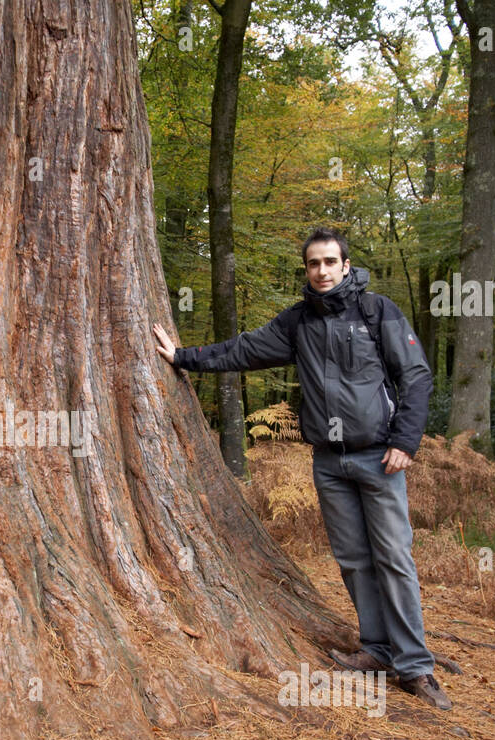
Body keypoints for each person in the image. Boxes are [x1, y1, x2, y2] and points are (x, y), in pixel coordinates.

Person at [152, 227, 451, 710]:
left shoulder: (377, 312)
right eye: (314, 264)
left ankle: (414, 666)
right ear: (307, 270)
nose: (322, 271)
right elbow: (244, 349)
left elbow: (415, 377)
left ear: (346, 265)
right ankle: (375, 650)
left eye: (330, 262)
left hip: (380, 458)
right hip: (329, 462)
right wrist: (184, 357)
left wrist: (405, 441)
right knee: (354, 560)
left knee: (394, 557)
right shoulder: (298, 323)